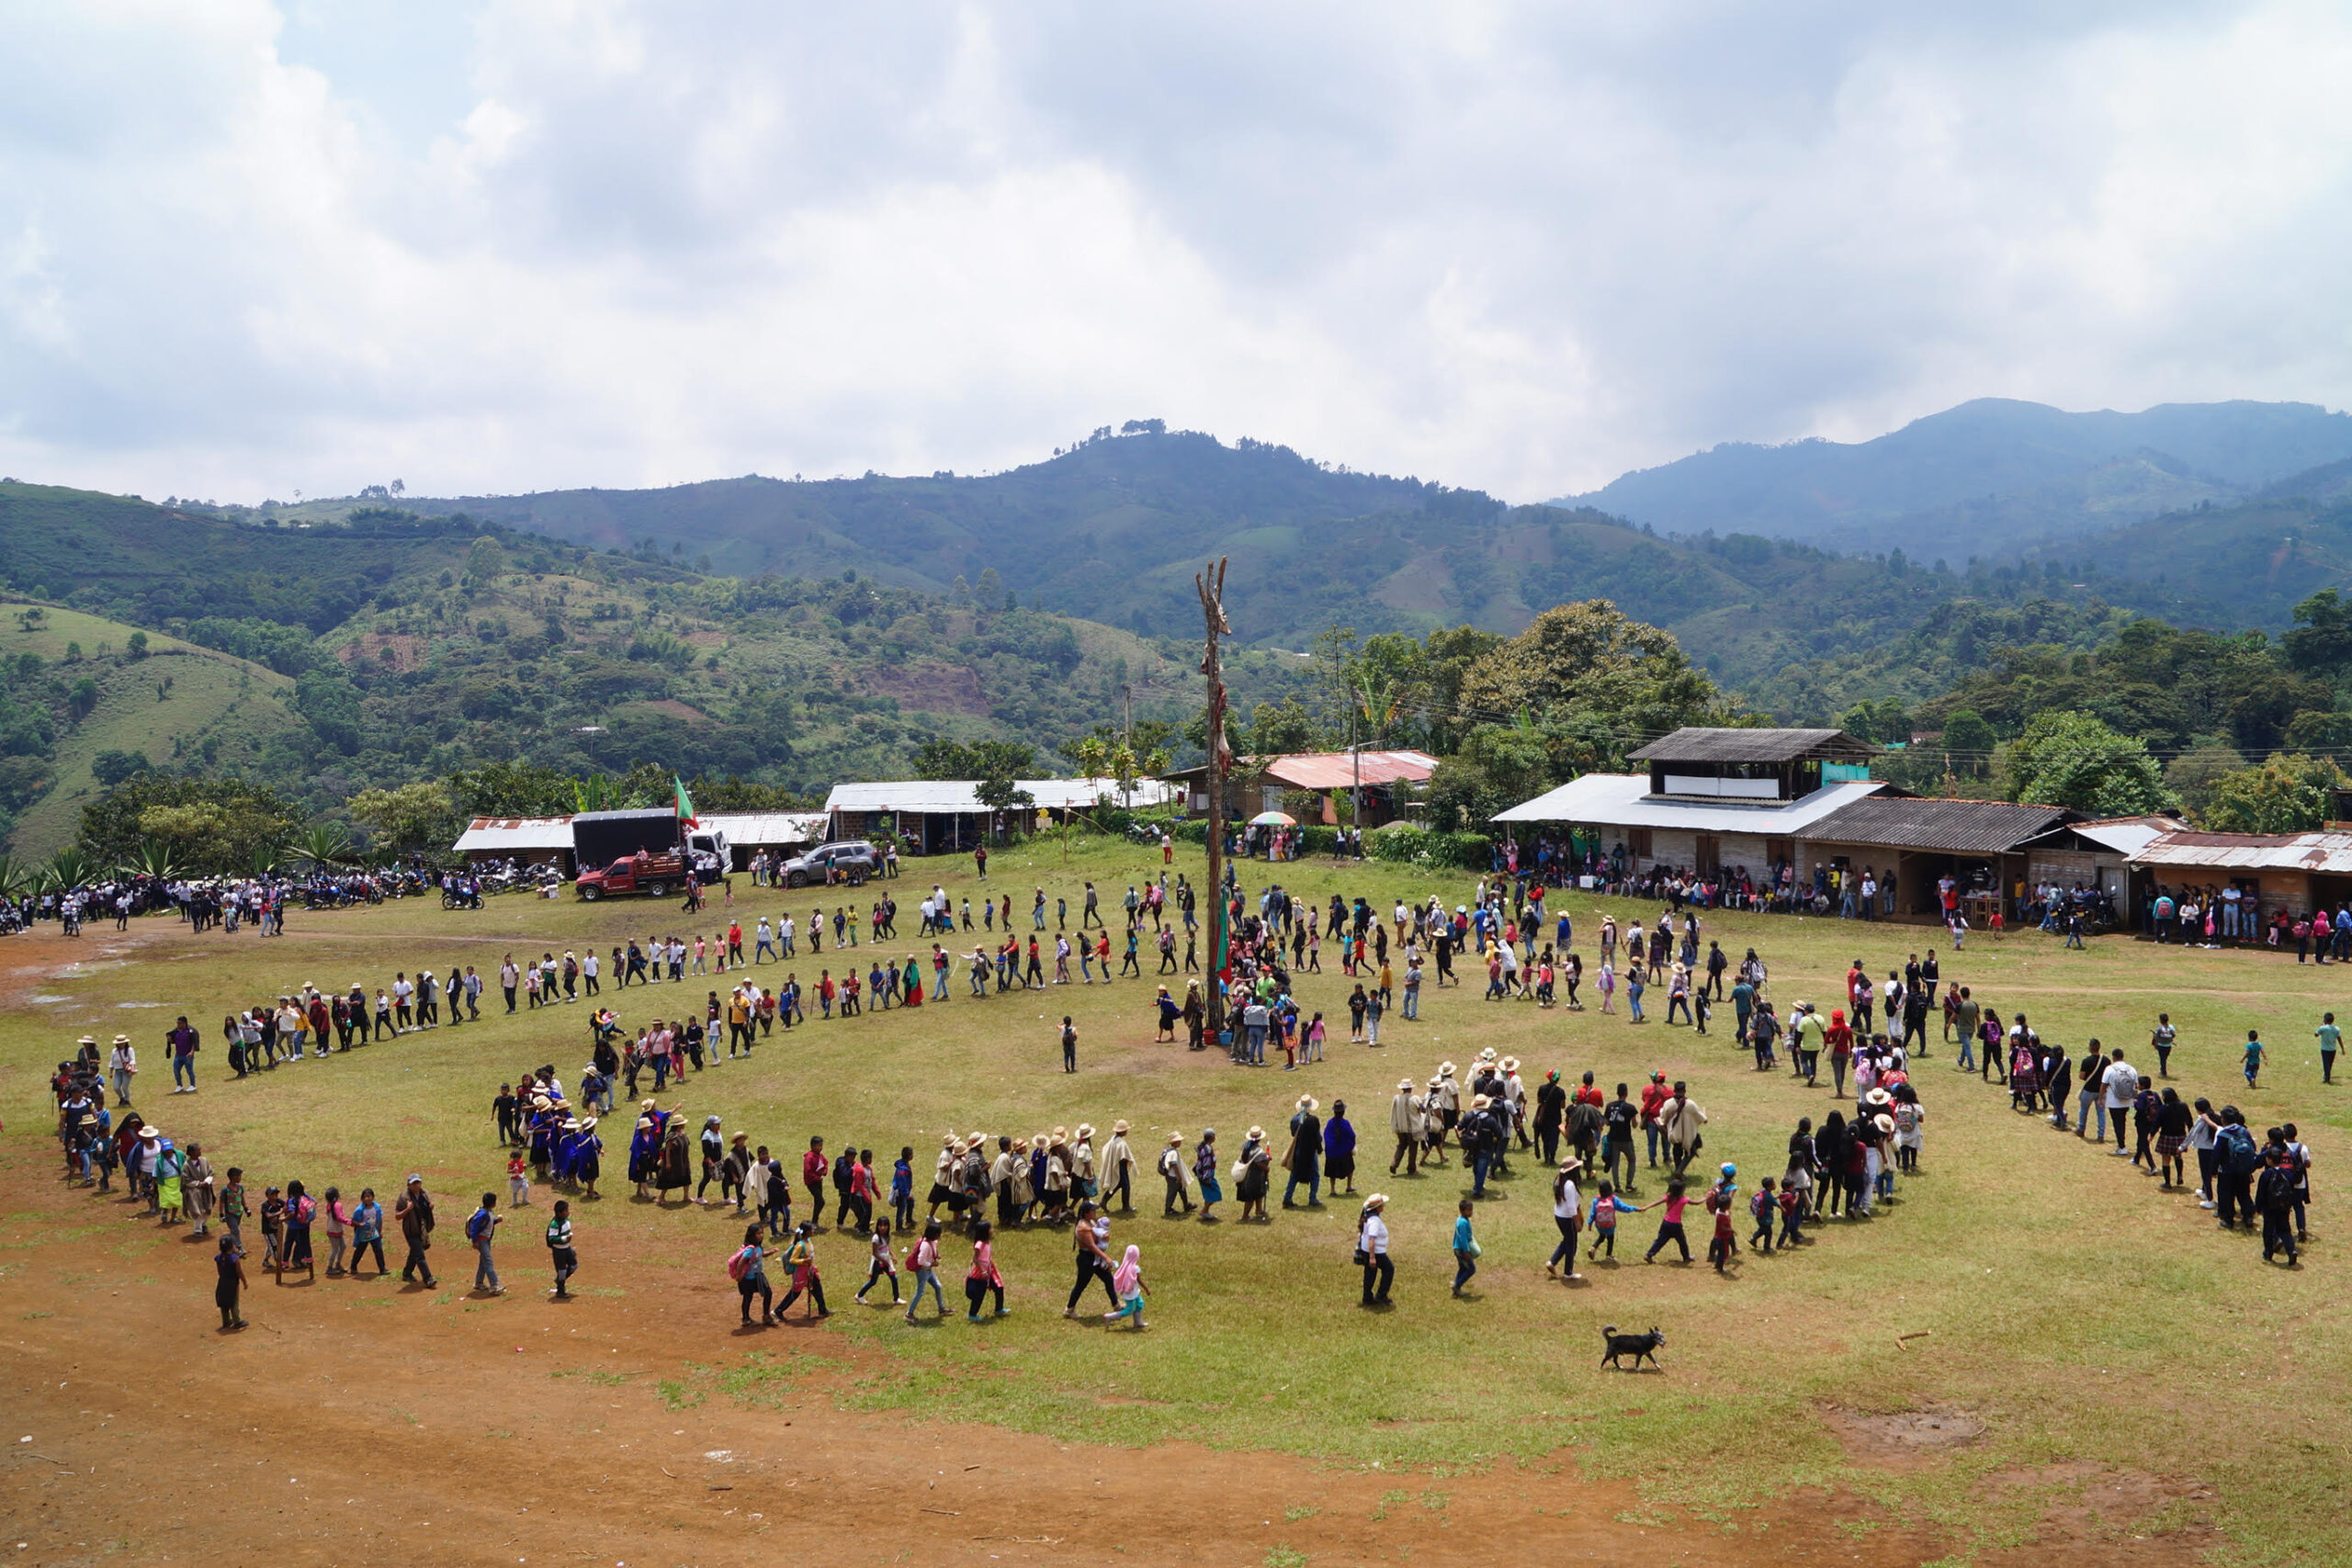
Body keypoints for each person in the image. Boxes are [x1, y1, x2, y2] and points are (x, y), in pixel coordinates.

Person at [1546, 1159, 1583, 1280]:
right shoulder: (1570, 1185)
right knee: (1571, 1244)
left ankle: (1552, 1262)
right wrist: (1577, 1221)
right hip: (1567, 1217)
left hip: (1559, 1214)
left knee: (1567, 1240)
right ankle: (1568, 1272)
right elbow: (1572, 1206)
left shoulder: (1559, 1180)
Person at [904, 1219, 947, 1322]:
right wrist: (931, 1263)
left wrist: (936, 1256)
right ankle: (909, 1314)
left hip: (928, 1270)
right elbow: (920, 1261)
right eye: (938, 1234)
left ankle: (941, 1308)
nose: (939, 1236)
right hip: (922, 1271)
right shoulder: (925, 1245)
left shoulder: (931, 1241)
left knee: (938, 1286)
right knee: (920, 1292)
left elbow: (934, 1248)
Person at [1643, 1178, 1693, 1264]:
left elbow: (1656, 1202)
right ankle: (1686, 1257)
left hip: (1666, 1223)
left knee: (1660, 1241)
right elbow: (1696, 1203)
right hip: (1676, 1225)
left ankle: (1649, 1254)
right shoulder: (1684, 1199)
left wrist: (1646, 1207)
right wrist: (1706, 1198)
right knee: (1682, 1241)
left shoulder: (1668, 1197)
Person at [731, 1224, 775, 1325]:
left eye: (762, 1233)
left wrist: (770, 1253)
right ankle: (746, 1319)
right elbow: (741, 1262)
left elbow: (760, 1255)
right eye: (758, 1233)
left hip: (758, 1276)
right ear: (751, 1235)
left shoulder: (758, 1246)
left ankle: (766, 1316)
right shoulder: (750, 1249)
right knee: (748, 1297)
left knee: (768, 1293)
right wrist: (738, 1276)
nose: (761, 1235)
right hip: (749, 1278)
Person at [965, 1220, 1007, 1319]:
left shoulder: (986, 1242)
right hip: (981, 1271)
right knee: (979, 1293)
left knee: (999, 1287)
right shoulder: (980, 1244)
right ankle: (972, 1314)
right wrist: (983, 1270)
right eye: (990, 1228)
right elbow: (975, 1259)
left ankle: (999, 1309)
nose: (992, 1230)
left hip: (989, 1269)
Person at [1357, 1193, 1393, 1306]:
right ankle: (1381, 1295)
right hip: (1376, 1252)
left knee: (1370, 1273)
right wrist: (1372, 1257)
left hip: (1368, 1250)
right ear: (1377, 1207)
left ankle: (1367, 1297)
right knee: (1389, 1269)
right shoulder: (1375, 1221)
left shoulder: (1369, 1217)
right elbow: (1372, 1238)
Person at [1102, 1244, 1148, 1329]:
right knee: (1129, 1310)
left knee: (1140, 1303)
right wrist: (1146, 1289)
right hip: (1131, 1292)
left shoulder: (1125, 1266)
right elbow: (1139, 1280)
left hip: (1131, 1291)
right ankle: (1110, 1317)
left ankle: (1137, 1322)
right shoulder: (1135, 1268)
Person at [466, 1191, 503, 1295]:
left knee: (483, 1261)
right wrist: (474, 1241)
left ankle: (478, 1282)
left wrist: (497, 1221)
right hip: (482, 1240)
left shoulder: (489, 1212)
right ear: (492, 1203)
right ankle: (494, 1285)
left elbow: (488, 1224)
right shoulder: (483, 1213)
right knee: (488, 1261)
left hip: (486, 1240)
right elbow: (474, 1227)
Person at [214, 1234, 249, 1331]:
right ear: (232, 1246)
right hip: (232, 1283)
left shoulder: (218, 1258)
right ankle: (237, 1321)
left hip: (222, 1282)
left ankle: (226, 1321)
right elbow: (239, 1272)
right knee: (234, 1301)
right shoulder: (235, 1259)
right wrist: (244, 1282)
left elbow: (219, 1271)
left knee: (224, 1302)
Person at [546, 1199, 578, 1299]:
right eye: (566, 1211)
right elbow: (551, 1238)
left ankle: (559, 1280)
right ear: (559, 1213)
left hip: (567, 1248)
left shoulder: (566, 1220)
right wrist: (564, 1238)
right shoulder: (555, 1224)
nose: (568, 1212)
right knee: (562, 1271)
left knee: (574, 1266)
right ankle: (560, 1291)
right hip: (559, 1251)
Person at [1451, 1199, 1480, 1296]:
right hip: (1462, 1250)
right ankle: (1457, 1285)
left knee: (1463, 1268)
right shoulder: (1463, 1223)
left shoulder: (1461, 1220)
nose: (1471, 1212)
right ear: (1462, 1211)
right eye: (1468, 1210)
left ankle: (1456, 1290)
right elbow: (1463, 1238)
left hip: (1458, 1248)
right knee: (1471, 1269)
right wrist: (1467, 1251)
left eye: (1471, 1210)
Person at [2320, 1013, 2342, 1085]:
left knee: (2326, 1064)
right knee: (2329, 1064)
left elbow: (2316, 1034)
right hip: (2333, 1049)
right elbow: (2339, 1039)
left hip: (2324, 1049)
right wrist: (2342, 1049)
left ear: (2325, 1020)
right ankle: (2327, 1076)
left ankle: (2327, 1078)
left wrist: (2321, 1027)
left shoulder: (2323, 1028)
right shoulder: (2336, 1029)